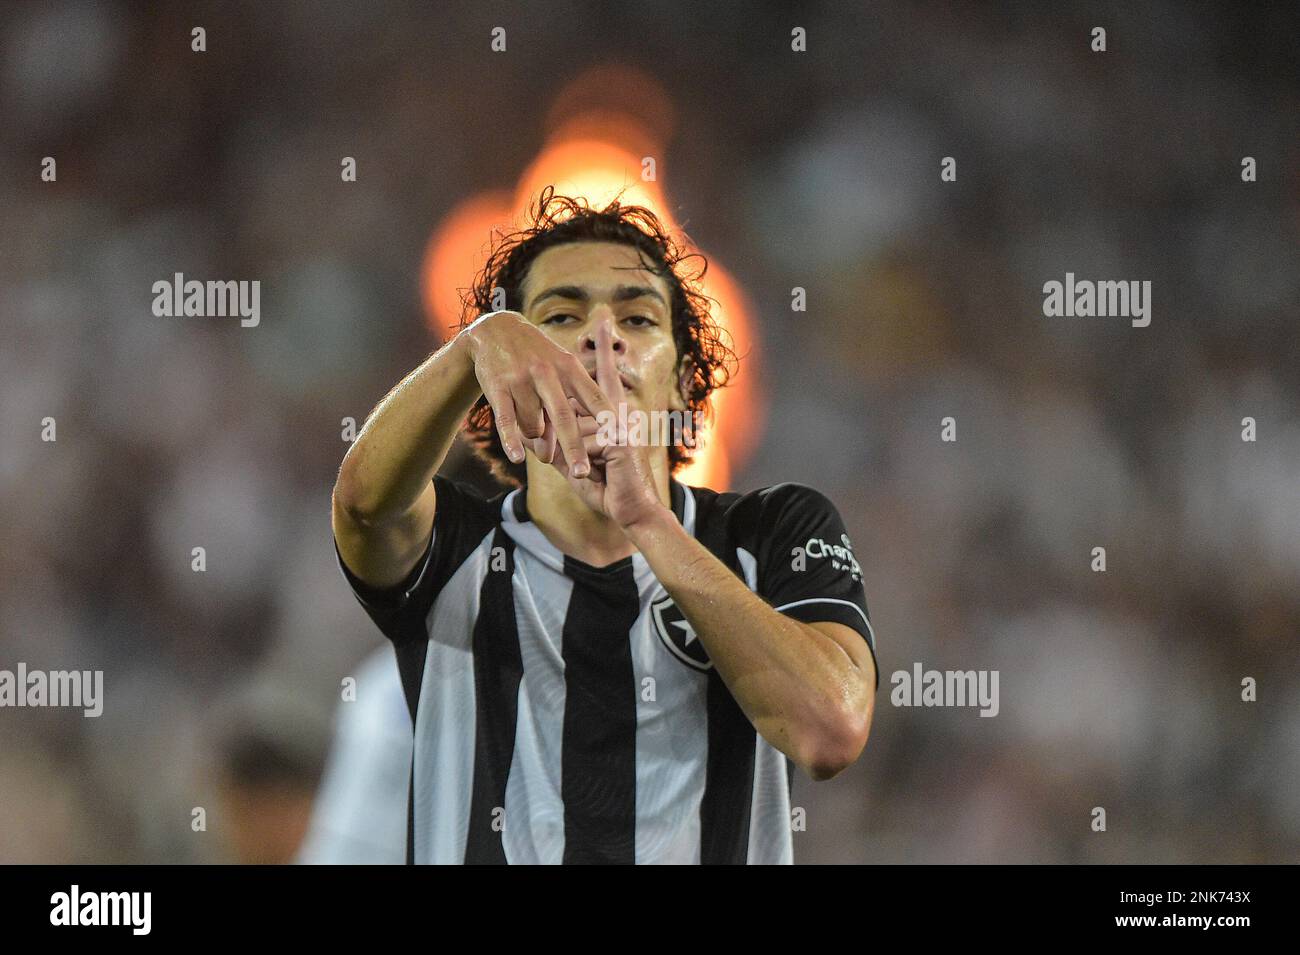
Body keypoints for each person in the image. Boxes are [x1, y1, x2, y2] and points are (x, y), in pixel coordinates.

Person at [331, 186, 878, 864]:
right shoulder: (456, 550)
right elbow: (362, 504)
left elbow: (831, 731)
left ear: (682, 378)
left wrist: (645, 517)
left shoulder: (772, 532)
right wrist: (470, 347)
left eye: (640, 319)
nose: (601, 333)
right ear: (506, 372)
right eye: (558, 316)